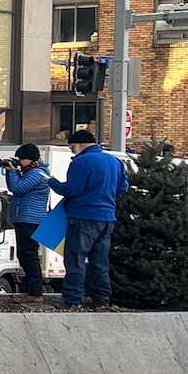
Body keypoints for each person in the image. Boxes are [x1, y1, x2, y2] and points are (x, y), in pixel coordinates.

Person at [49, 125, 126, 309]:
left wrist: (51, 182)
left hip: (82, 217)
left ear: (81, 144)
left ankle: (73, 300)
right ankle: (101, 298)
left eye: (72, 147)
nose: (71, 150)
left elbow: (71, 190)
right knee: (100, 261)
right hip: (107, 218)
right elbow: (122, 189)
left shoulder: (81, 162)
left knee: (75, 259)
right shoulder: (114, 162)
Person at [3, 144, 52, 299]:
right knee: (24, 255)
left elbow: (18, 189)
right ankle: (30, 291)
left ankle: (35, 292)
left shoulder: (37, 173)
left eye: (22, 159)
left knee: (29, 256)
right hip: (25, 218)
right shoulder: (31, 172)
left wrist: (13, 172)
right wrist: (10, 172)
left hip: (30, 219)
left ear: (31, 159)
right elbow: (14, 188)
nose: (19, 162)